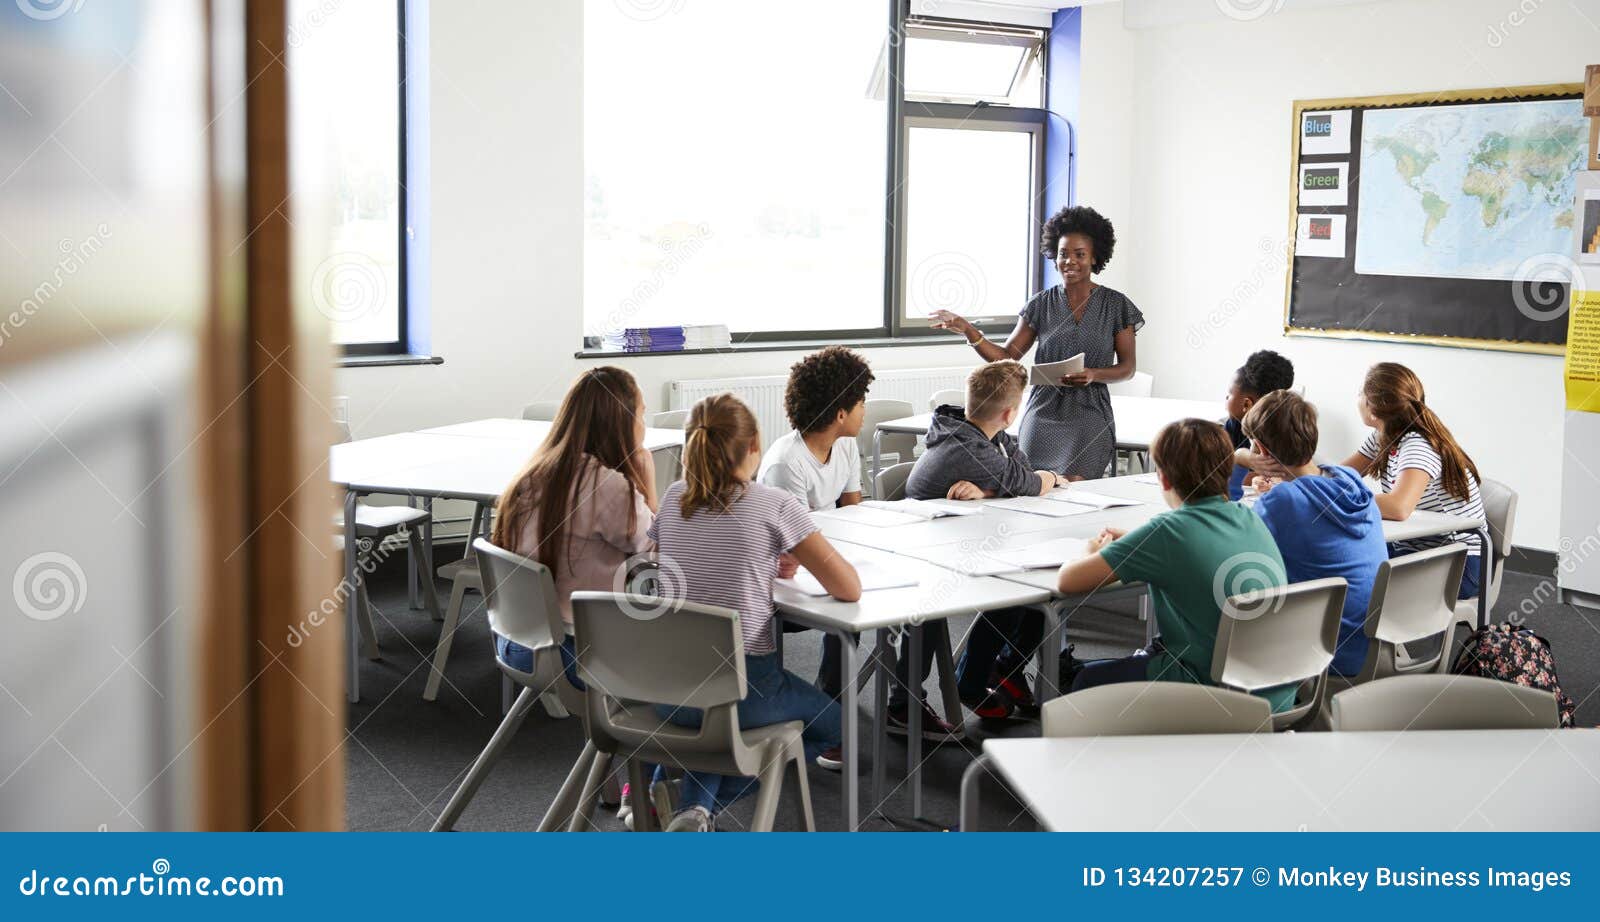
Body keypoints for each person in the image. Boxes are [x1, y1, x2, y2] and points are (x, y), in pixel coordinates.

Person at [650, 393, 861, 832]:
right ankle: (700, 807)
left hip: (667, 688)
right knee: (837, 730)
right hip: (746, 687)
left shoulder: (672, 498)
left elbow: (681, 558)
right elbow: (848, 587)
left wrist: (762, 560)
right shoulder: (773, 505)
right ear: (752, 448)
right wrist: (784, 556)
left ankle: (685, 800)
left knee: (716, 728)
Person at [490, 366, 658, 827]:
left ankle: (623, 784)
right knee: (692, 659)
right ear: (620, 421)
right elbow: (657, 555)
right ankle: (647, 794)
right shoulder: (608, 484)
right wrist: (645, 477)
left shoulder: (532, 475)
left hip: (518, 643)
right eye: (642, 412)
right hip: (574, 657)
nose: (646, 422)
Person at [1055, 418, 1295, 713]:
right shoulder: (1249, 517)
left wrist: (1088, 550)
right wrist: (1137, 543)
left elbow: (1068, 581)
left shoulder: (1167, 533)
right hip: (1276, 689)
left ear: (1164, 478)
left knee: (1085, 682)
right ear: (1228, 471)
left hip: (1216, 693)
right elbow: (1190, 548)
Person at [930, 205, 1143, 480]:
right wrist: (967, 329)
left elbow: (1127, 368)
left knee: (1077, 487)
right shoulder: (1041, 304)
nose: (1070, 261)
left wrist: (1093, 374)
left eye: (1080, 254)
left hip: (1090, 414)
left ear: (1094, 258)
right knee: (1033, 483)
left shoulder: (1116, 305)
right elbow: (1006, 356)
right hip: (1043, 412)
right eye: (1064, 254)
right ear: (1054, 255)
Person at [908, 360, 1060, 721]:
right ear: (1009, 413)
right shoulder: (968, 447)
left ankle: (1001, 670)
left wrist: (989, 492)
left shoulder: (994, 438)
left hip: (968, 537)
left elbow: (1018, 475)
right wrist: (1051, 475)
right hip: (929, 555)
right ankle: (974, 680)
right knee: (1020, 590)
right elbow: (1030, 483)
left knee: (1039, 586)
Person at [1243, 390, 1386, 677]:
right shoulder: (1349, 479)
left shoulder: (1283, 501)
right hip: (1370, 643)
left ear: (1262, 451)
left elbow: (1231, 538)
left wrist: (1243, 466)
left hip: (1319, 649)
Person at [758, 346, 868, 703]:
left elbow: (854, 512)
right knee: (847, 604)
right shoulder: (786, 463)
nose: (864, 410)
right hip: (782, 577)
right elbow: (794, 544)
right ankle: (831, 708)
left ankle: (895, 704)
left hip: (820, 557)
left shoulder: (846, 445)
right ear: (840, 413)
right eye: (860, 402)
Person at [1340, 362, 1486, 600]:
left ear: (1373, 409)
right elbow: (1340, 476)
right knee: (1345, 559)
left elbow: (1399, 507)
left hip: (1461, 566)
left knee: (1354, 575)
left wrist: (1343, 499)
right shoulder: (1382, 437)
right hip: (1416, 548)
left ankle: (1363, 633)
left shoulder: (1418, 443)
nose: (1356, 399)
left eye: (1360, 393)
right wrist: (1289, 480)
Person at [1224, 350, 1295, 499]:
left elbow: (1289, 476)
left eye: (1229, 394)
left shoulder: (1287, 432)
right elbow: (1219, 474)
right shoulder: (1233, 426)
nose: (1226, 397)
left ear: (1247, 404)